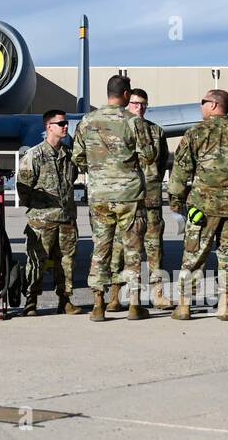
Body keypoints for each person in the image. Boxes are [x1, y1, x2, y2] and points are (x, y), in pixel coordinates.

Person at [167, 88, 228, 321]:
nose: (201, 107)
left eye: (202, 102)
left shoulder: (196, 133)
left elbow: (180, 171)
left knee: (194, 255)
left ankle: (185, 306)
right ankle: (225, 305)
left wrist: (176, 200)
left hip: (202, 208)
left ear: (213, 104)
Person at [72, 74, 157, 322]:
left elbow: (77, 157)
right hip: (128, 195)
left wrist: (98, 169)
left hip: (99, 195)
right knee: (132, 248)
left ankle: (98, 303)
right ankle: (133, 304)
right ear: (127, 95)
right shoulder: (132, 121)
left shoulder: (88, 120)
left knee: (101, 248)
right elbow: (149, 155)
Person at [16, 110, 80, 316]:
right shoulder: (34, 155)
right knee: (36, 262)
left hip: (66, 220)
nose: (65, 127)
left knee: (67, 262)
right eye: (60, 123)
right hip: (42, 221)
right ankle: (31, 301)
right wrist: (38, 208)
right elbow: (23, 188)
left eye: (66, 123)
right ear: (49, 127)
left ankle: (65, 300)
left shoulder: (69, 156)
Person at [125, 88, 171, 309]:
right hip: (128, 198)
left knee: (154, 248)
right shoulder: (121, 129)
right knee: (125, 249)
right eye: (135, 103)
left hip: (151, 198)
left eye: (143, 104)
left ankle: (158, 293)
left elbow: (161, 163)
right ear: (128, 104)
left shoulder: (156, 131)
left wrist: (152, 181)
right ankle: (121, 295)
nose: (139, 108)